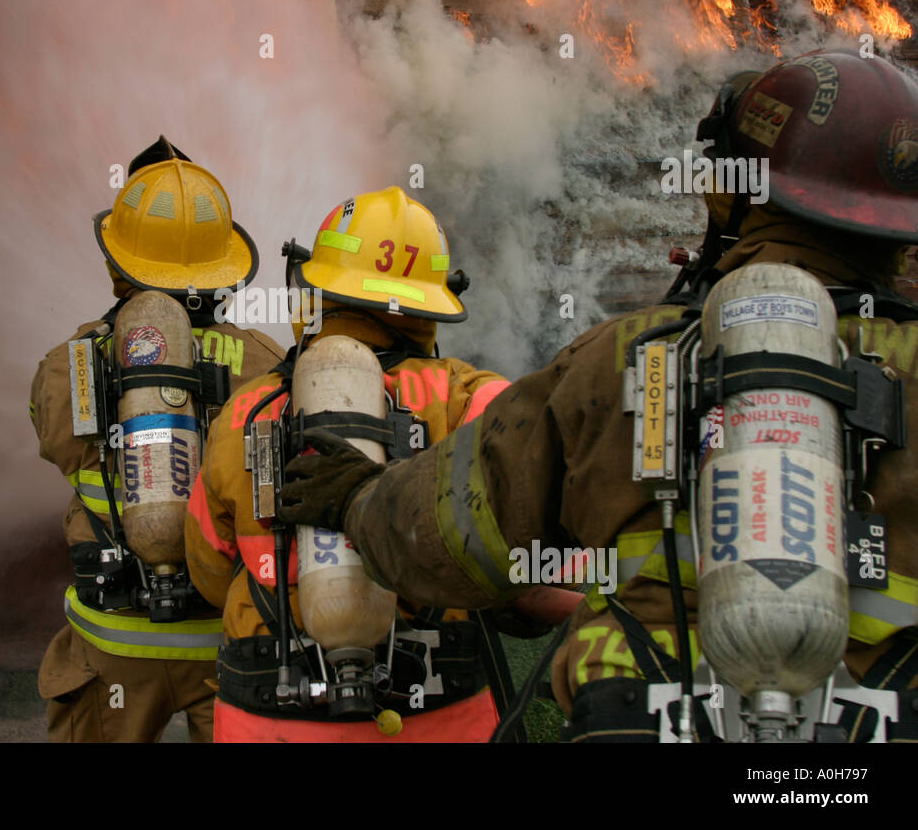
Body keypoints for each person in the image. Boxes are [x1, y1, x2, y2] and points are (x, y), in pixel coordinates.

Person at [278, 50, 918, 742]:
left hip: (638, 722)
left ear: (733, 191)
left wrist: (358, 499)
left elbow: (459, 532)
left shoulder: (627, 358)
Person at [185, 185, 543, 742]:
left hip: (269, 714)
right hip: (434, 716)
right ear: (432, 301)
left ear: (319, 285)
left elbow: (207, 572)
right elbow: (542, 548)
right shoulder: (472, 399)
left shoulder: (241, 413)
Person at [30, 136, 285, 742]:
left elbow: (56, 445)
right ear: (225, 272)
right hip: (227, 642)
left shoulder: (69, 364)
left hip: (111, 640)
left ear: (118, 265)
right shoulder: (268, 364)